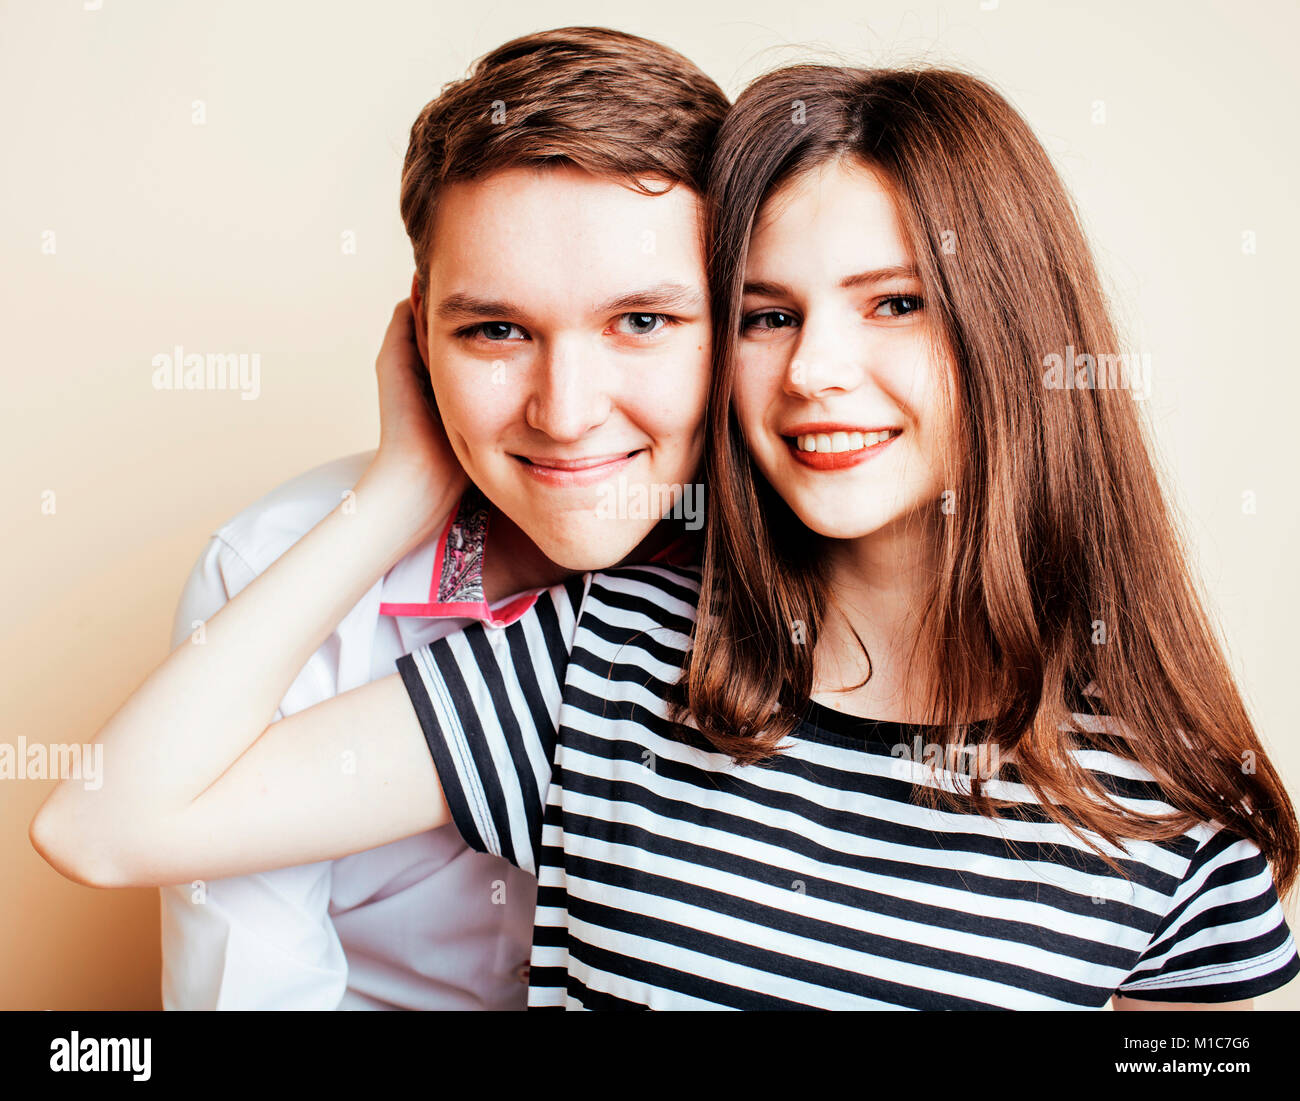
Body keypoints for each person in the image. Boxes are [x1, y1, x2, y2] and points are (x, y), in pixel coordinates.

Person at [32, 64, 1299, 1010]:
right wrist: (401, 490)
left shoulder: (1180, 807)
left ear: (1013, 332)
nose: (816, 373)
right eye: (766, 315)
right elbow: (105, 826)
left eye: (896, 305)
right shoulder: (617, 655)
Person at [153, 26, 724, 1009]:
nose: (567, 410)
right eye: (497, 330)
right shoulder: (273, 572)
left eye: (642, 322)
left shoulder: (817, 581)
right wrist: (396, 498)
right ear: (418, 339)